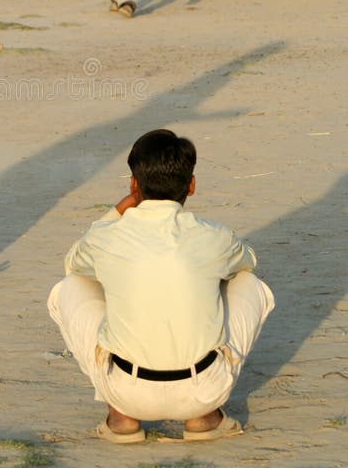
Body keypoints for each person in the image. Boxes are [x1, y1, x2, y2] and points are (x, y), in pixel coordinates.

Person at [48, 128, 275, 444]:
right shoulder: (215, 236)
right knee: (248, 282)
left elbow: (73, 263)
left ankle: (121, 417)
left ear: (134, 185)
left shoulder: (107, 236)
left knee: (69, 286)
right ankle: (204, 417)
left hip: (127, 392)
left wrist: (118, 212)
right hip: (203, 391)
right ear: (191, 185)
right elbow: (247, 262)